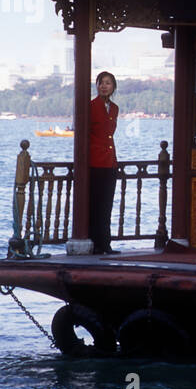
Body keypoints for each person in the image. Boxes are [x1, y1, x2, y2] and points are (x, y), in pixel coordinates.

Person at [89, 71, 119, 254]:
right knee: (94, 205)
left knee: (107, 205)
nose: (104, 86)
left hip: (110, 162)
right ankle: (96, 245)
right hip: (94, 161)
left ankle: (106, 244)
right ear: (97, 85)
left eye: (108, 83)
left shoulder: (114, 108)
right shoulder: (90, 106)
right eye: (101, 83)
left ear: (113, 87)